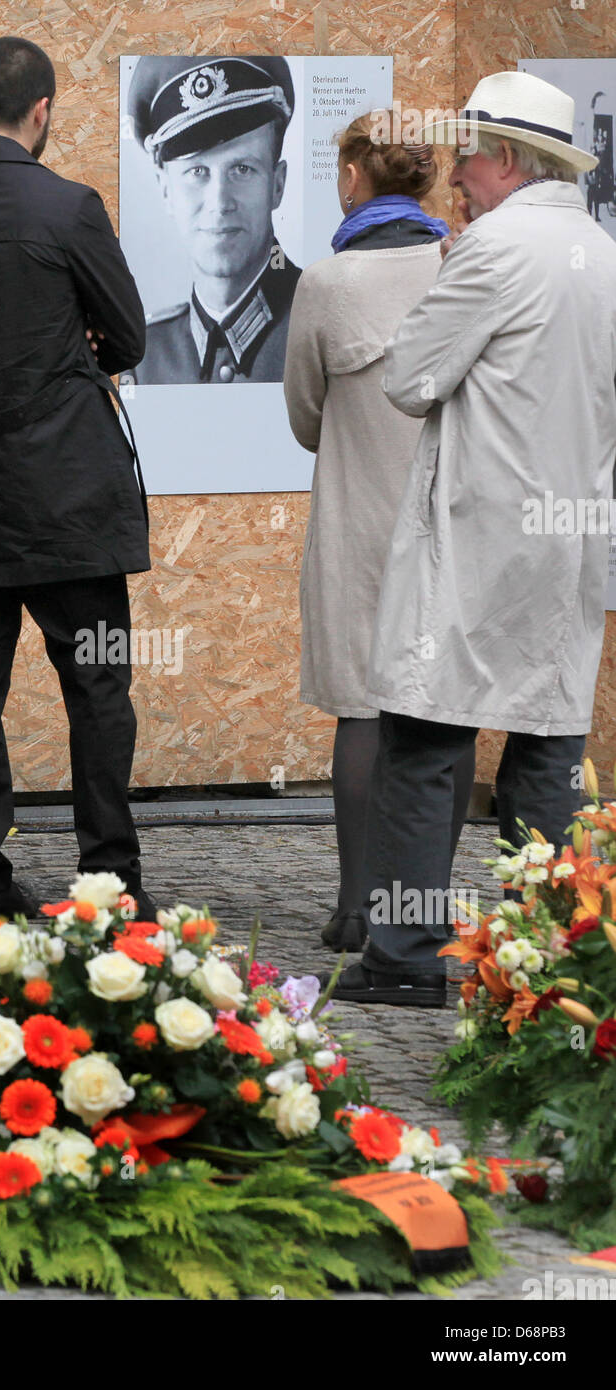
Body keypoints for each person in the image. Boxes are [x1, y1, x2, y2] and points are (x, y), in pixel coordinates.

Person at [321, 70, 614, 1008]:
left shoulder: (490, 253)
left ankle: (405, 958)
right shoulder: (601, 253)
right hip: (566, 541)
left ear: (506, 159)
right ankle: (553, 961)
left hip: (476, 537)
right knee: (545, 750)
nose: (453, 178)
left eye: (467, 158)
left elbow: (408, 378)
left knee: (419, 740)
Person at [0, 36, 157, 926]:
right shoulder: (69, 208)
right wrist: (72, 342)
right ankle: (110, 880)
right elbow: (126, 336)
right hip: (68, 495)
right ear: (41, 110)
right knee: (95, 685)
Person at [284, 112, 473, 954]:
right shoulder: (460, 265)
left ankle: (356, 908)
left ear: (354, 176)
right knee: (444, 707)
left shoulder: (326, 284)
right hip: (454, 519)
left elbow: (302, 419)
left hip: (360, 517)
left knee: (362, 708)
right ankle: (422, 904)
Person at [121, 56, 301, 385]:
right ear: (166, 190)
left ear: (277, 186)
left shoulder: (329, 328)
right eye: (197, 171)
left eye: (242, 169)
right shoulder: (143, 361)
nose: (219, 203)